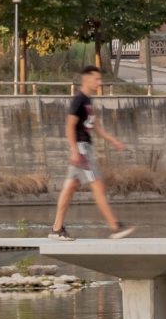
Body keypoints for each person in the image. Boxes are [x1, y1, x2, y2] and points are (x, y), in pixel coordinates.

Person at [50, 67, 134, 239]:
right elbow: (69, 127)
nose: (99, 82)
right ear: (87, 79)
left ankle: (57, 229)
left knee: (70, 187)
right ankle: (114, 226)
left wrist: (112, 140)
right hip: (81, 149)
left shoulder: (87, 101)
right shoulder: (79, 100)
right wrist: (74, 151)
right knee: (98, 187)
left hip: (84, 148)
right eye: (97, 79)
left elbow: (96, 127)